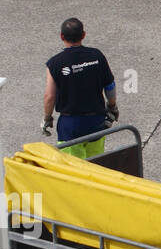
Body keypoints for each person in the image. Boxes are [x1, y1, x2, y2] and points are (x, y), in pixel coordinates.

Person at [42, 18, 118, 160]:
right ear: (83, 35)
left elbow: (49, 96)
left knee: (75, 172)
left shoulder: (55, 63)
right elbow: (110, 85)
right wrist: (112, 106)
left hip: (70, 126)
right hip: (96, 121)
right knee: (96, 167)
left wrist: (47, 118)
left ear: (62, 36)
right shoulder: (97, 56)